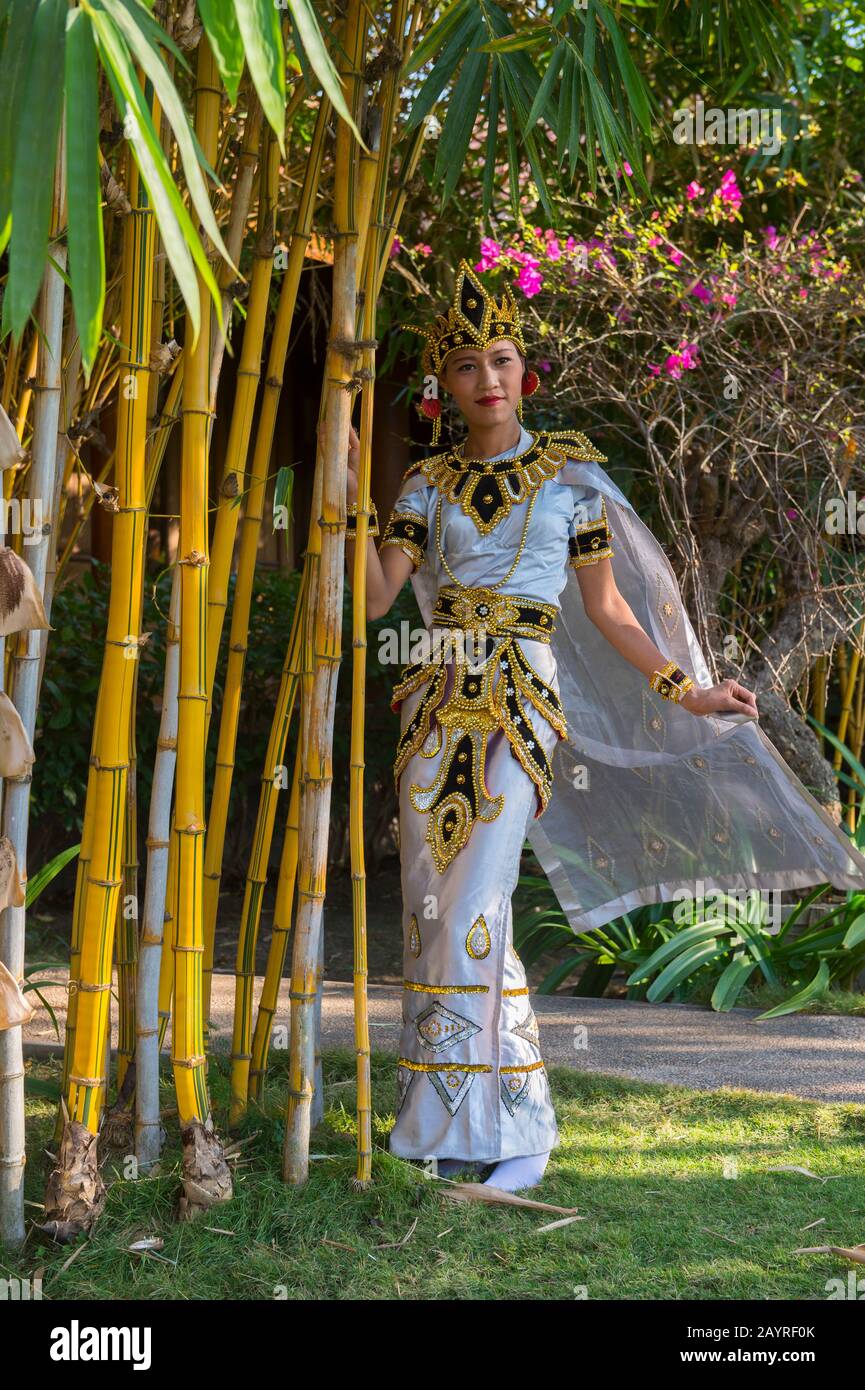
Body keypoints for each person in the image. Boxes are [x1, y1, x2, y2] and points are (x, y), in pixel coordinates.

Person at [343, 260, 865, 1193]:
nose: (486, 379)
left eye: (499, 358)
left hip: (518, 707)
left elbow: (613, 611)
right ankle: (474, 1130)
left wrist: (686, 689)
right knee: (442, 914)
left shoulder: (570, 478)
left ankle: (486, 1131)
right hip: (429, 710)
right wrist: (345, 499)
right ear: (445, 387)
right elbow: (379, 596)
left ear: (523, 370)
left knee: (473, 907)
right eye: (465, 365)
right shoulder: (423, 484)